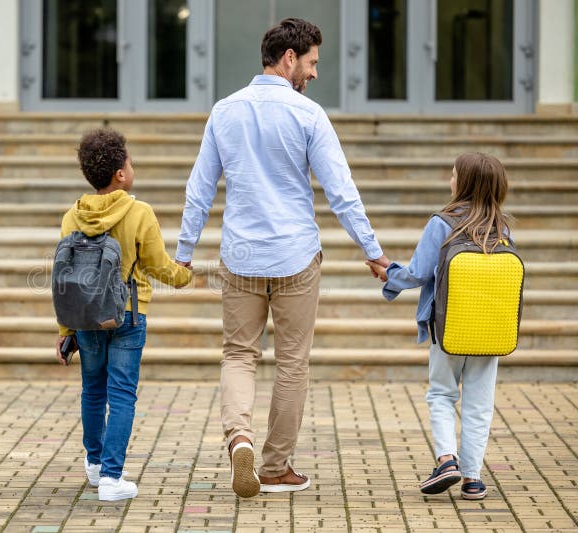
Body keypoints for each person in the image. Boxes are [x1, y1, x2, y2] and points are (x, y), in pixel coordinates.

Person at [175, 18, 388, 498]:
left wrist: (184, 253)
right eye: (311, 62)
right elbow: (341, 191)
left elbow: (199, 188)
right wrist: (372, 251)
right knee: (293, 362)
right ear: (289, 57)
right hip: (294, 256)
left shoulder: (224, 111)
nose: (313, 74)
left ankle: (240, 439)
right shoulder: (309, 115)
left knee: (238, 354)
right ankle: (273, 467)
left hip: (241, 256)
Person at [56, 128, 192, 501]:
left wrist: (65, 327)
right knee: (122, 393)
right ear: (120, 173)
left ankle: (96, 465)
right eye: (129, 161)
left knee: (93, 390)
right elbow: (159, 265)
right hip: (128, 315)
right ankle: (113, 480)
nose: (132, 166)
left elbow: (65, 276)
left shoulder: (73, 216)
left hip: (86, 317)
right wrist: (185, 275)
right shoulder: (139, 212)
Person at [367, 153, 511, 501]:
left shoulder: (442, 222)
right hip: (490, 329)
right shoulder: (501, 227)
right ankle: (473, 479)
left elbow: (418, 273)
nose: (450, 180)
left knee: (442, 394)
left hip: (447, 326)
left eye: (453, 175)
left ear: (463, 184)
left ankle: (447, 460)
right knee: (479, 402)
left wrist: (389, 273)